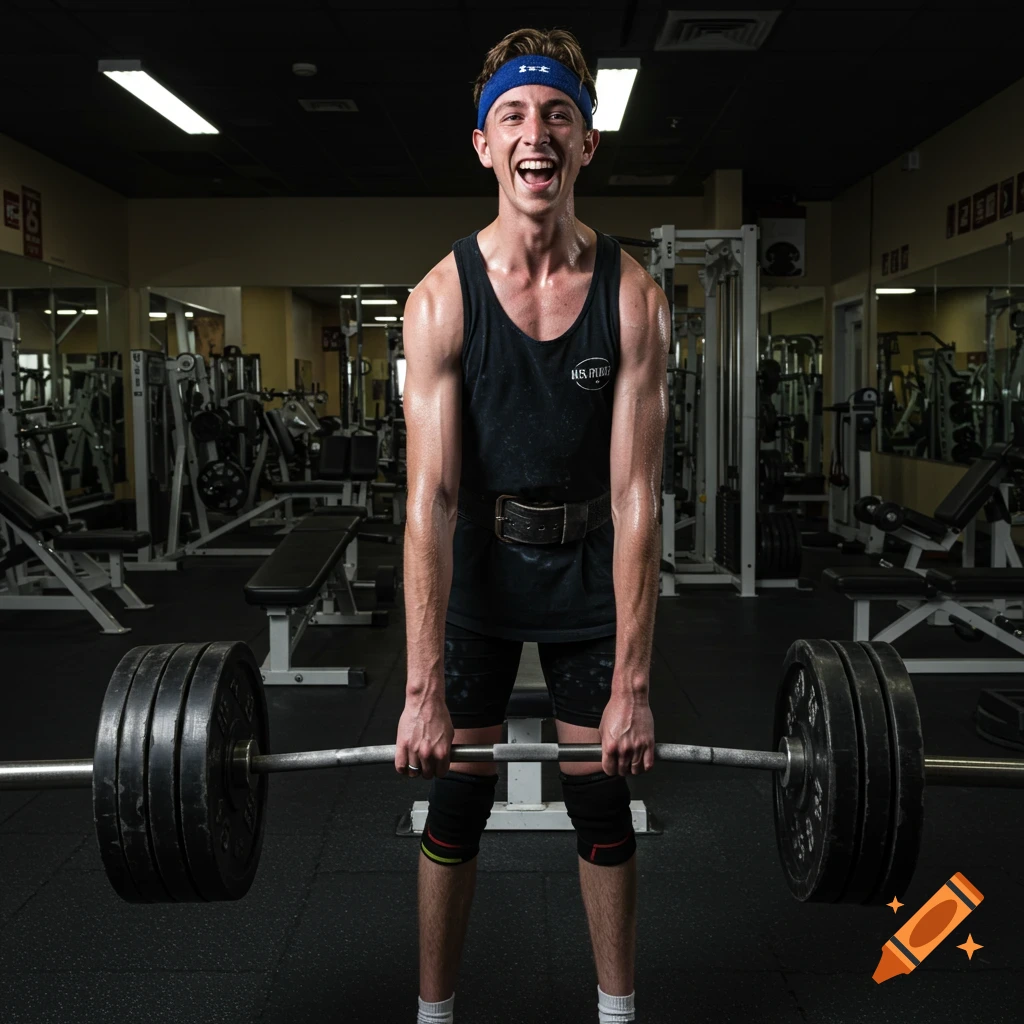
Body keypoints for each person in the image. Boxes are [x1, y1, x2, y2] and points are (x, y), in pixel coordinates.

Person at [396, 26, 669, 1024]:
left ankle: (617, 1011)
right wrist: (422, 690)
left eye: (557, 113)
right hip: (476, 567)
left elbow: (638, 497)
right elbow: (426, 502)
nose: (535, 132)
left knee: (600, 801)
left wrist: (633, 685)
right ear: (483, 143)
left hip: (587, 568)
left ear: (586, 143)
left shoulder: (634, 298)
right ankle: (434, 1013)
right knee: (457, 801)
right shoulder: (440, 300)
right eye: (512, 113)